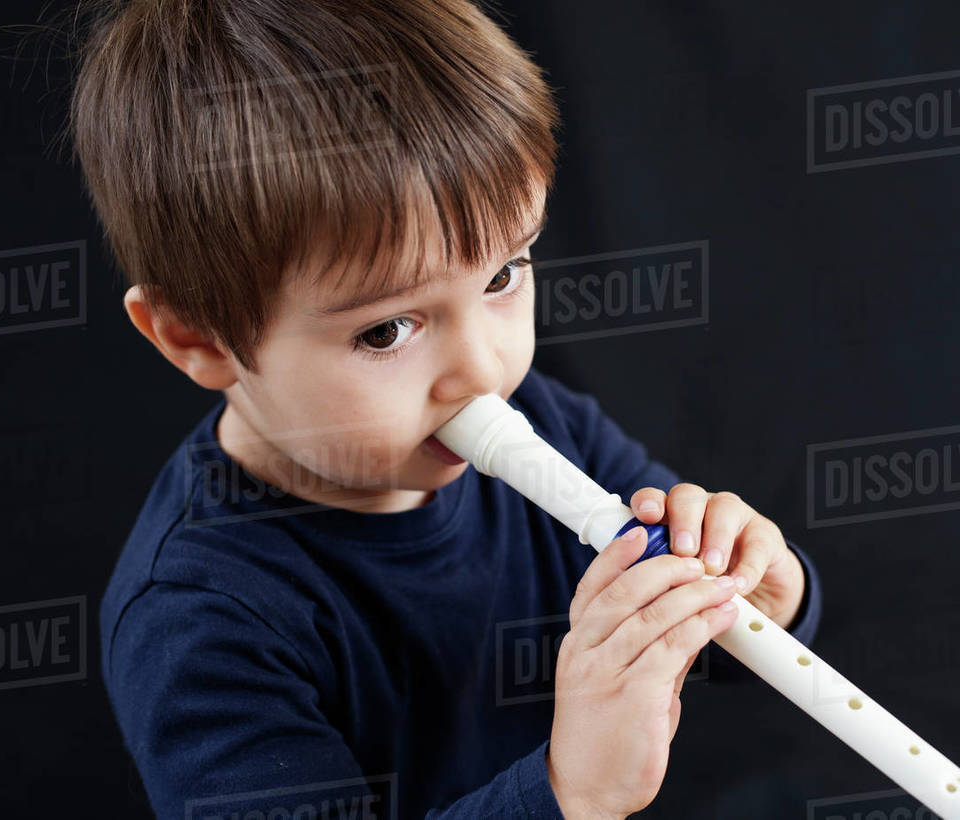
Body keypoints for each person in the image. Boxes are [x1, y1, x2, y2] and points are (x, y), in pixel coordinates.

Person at [66, 1, 823, 817]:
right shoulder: (197, 620)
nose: (483, 371)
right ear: (197, 337)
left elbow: (691, 630)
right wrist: (569, 793)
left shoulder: (547, 421)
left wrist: (757, 600)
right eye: (386, 330)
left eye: (502, 276)